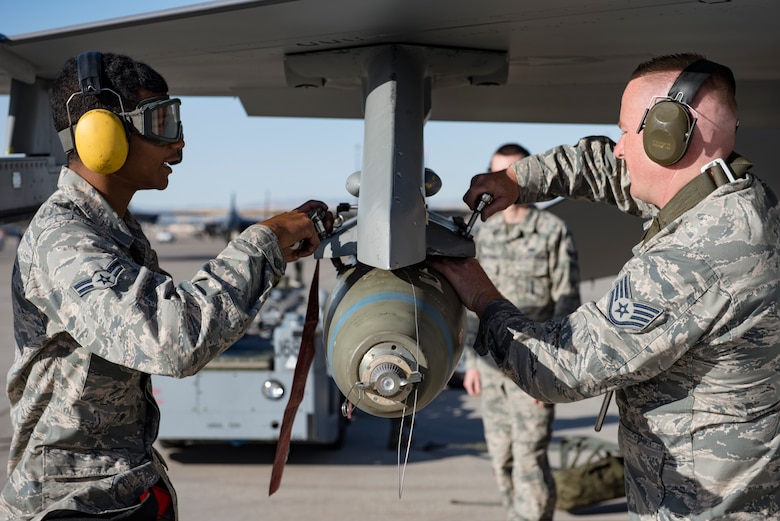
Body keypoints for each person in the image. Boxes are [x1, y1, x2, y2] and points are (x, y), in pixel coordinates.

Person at [429, 53, 780, 520]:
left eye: (625, 131)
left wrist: (480, 297)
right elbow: (607, 169)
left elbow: (560, 368)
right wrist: (518, 180)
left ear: (666, 137)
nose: (618, 147)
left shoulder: (696, 257)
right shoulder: (730, 197)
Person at [1, 51, 331, 520]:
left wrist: (272, 252)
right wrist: (264, 244)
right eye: (160, 122)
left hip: (115, 495)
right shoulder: (66, 241)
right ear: (101, 134)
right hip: (66, 506)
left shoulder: (112, 229)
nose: (177, 145)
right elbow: (171, 339)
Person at [462, 143, 580, 521]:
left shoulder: (551, 231)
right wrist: (471, 364)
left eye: (511, 172)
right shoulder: (484, 234)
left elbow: (566, 305)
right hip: (492, 368)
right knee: (502, 458)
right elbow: (467, 305)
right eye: (495, 172)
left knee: (530, 458)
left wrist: (551, 374)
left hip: (533, 368)